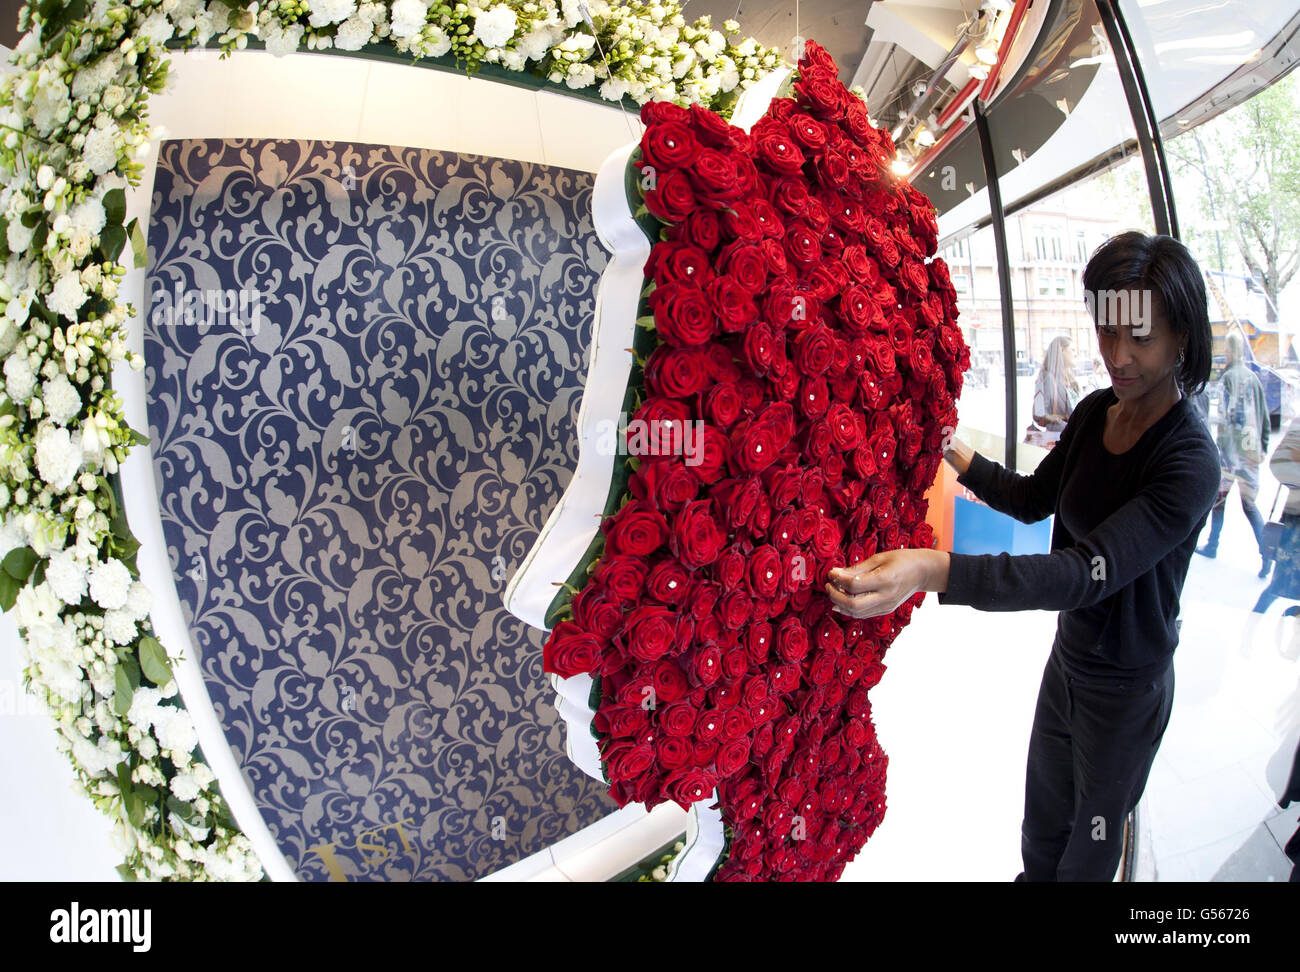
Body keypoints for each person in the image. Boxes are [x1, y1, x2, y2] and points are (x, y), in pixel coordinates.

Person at [825, 231, 1221, 882]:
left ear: (1183, 335)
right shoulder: (1098, 413)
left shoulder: (1189, 462)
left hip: (1126, 692)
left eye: (1141, 339)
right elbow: (1036, 499)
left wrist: (931, 567)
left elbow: (1082, 572)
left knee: (1088, 857)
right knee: (1040, 834)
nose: (1118, 357)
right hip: (1070, 665)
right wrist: (950, 447)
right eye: (1106, 332)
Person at [1196, 332, 1271, 577]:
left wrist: (1217, 447)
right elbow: (1265, 419)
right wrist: (1262, 448)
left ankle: (1213, 545)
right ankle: (1266, 555)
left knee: (1219, 501)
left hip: (1230, 454)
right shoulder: (1254, 378)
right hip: (1250, 454)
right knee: (1249, 506)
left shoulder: (1227, 378)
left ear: (1229, 351)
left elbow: (1224, 417)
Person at [1027, 336, 1082, 448]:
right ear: (1061, 351)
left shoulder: (1068, 377)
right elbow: (1038, 413)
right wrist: (1059, 418)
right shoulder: (1048, 378)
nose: (1076, 354)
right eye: (1072, 350)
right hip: (1058, 439)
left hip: (1071, 437)